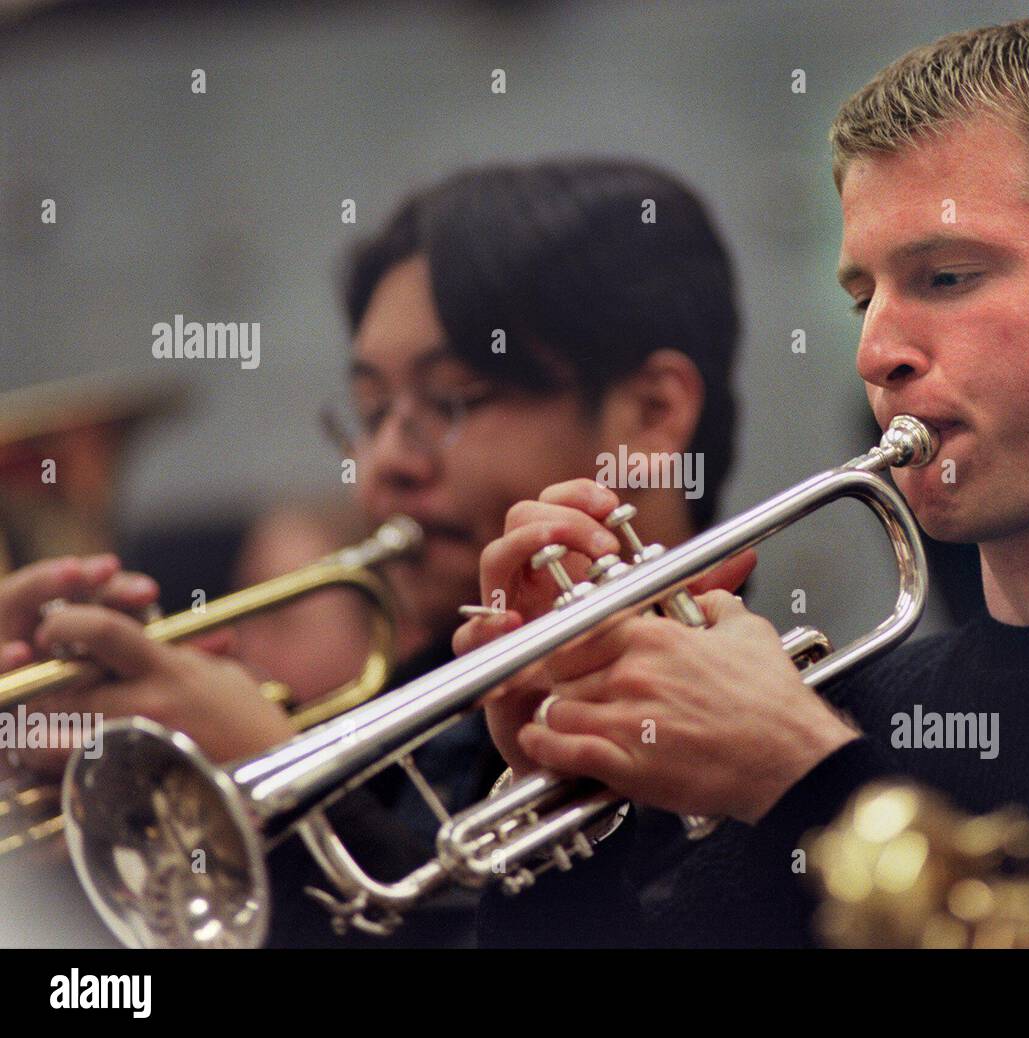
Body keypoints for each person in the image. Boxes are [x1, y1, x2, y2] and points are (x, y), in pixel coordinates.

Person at [457, 12, 1029, 947]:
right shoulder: (858, 706)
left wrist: (805, 787)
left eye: (945, 277)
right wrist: (563, 805)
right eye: (863, 298)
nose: (874, 350)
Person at [7, 158, 743, 945]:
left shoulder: (755, 758)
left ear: (653, 411)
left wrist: (288, 800)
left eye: (453, 401)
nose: (387, 459)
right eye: (369, 411)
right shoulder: (399, 726)